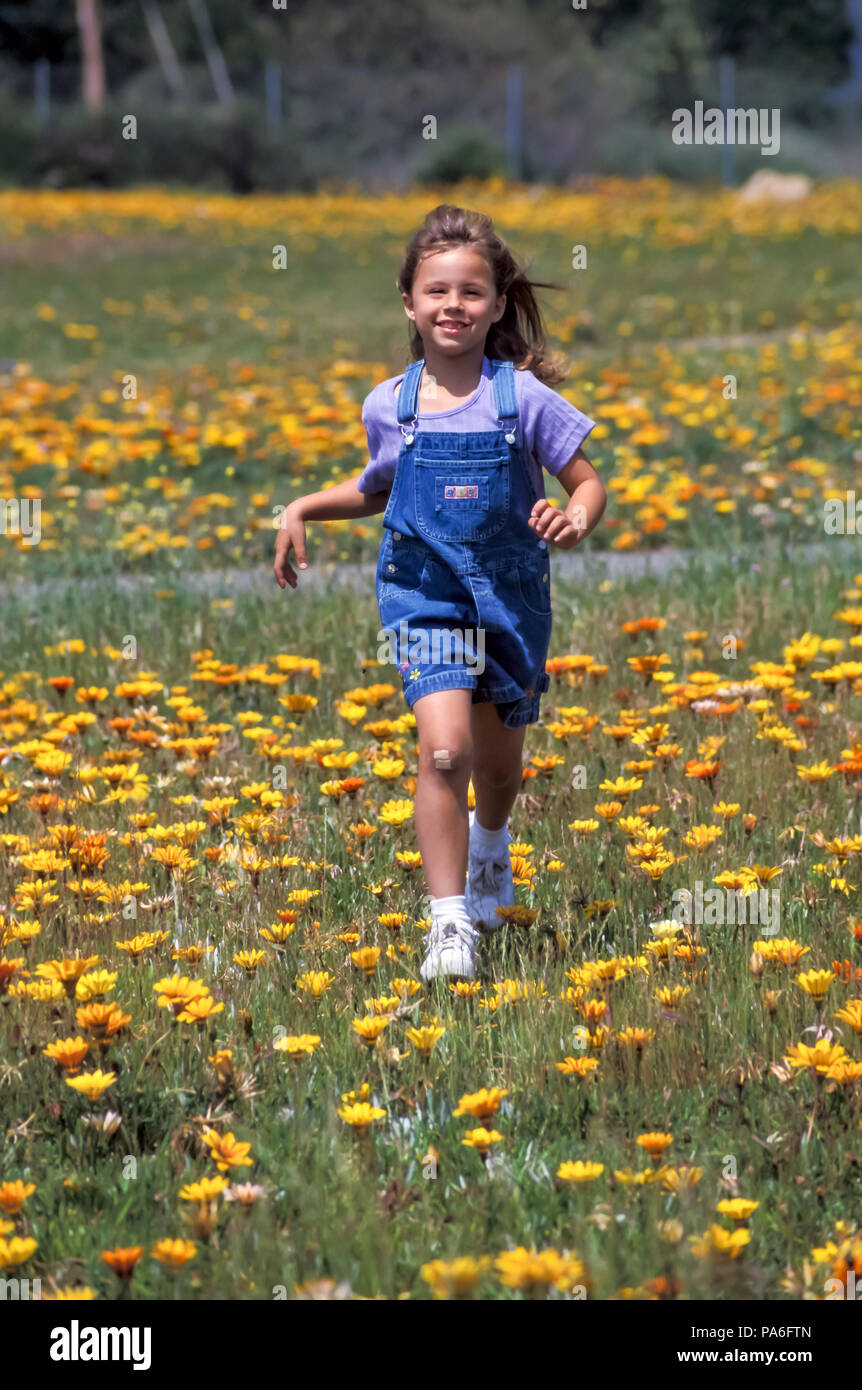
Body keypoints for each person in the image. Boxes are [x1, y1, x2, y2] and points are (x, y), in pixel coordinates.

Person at [274, 204, 606, 984]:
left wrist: (575, 519)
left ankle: (493, 847)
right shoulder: (390, 403)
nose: (452, 305)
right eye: (436, 291)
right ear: (408, 304)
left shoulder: (521, 398)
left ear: (495, 305)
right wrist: (300, 508)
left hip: (509, 601)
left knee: (496, 771)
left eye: (470, 292)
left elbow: (587, 482)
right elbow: (378, 489)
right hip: (425, 597)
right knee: (445, 749)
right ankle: (449, 925)